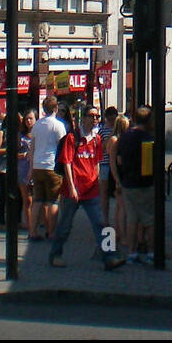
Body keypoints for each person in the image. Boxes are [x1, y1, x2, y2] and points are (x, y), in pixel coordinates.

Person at [50, 106, 125, 270]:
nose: (95, 119)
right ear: (82, 118)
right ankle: (55, 254)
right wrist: (71, 187)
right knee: (65, 225)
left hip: (91, 190)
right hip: (73, 191)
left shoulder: (97, 139)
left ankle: (110, 257)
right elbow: (67, 163)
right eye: (91, 116)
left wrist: (97, 183)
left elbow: (97, 163)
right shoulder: (72, 138)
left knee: (101, 223)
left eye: (97, 116)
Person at [116, 106, 155, 263]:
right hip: (144, 183)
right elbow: (148, 165)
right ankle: (152, 252)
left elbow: (119, 160)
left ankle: (131, 252)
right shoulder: (147, 138)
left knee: (132, 219)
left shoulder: (124, 137)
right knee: (149, 219)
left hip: (128, 182)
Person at [28, 97, 66, 241]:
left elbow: (32, 148)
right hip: (52, 167)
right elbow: (62, 147)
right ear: (55, 108)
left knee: (37, 201)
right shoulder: (58, 125)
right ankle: (51, 233)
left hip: (38, 166)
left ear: (43, 109)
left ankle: (32, 232)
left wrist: (31, 169)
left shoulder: (37, 125)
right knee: (53, 202)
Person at [17, 110, 36, 230]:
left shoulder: (39, 133)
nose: (28, 121)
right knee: (27, 199)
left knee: (38, 199)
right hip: (23, 168)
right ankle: (29, 226)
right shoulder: (20, 135)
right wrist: (23, 155)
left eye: (31, 118)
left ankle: (38, 223)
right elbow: (12, 153)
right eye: (26, 119)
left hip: (36, 168)